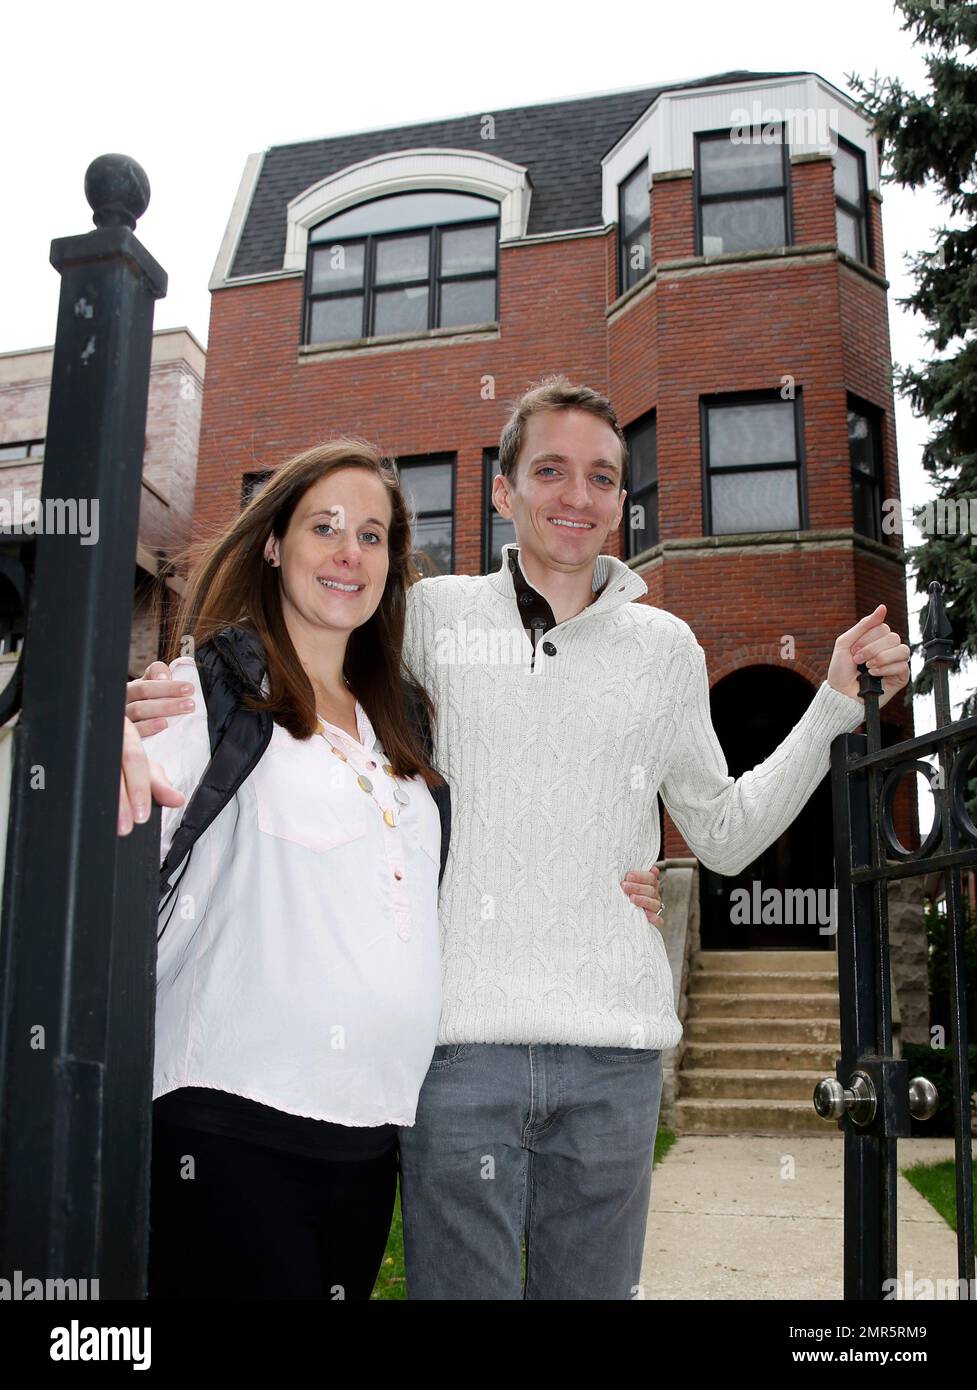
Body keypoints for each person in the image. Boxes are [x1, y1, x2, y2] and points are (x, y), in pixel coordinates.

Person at [125, 377, 906, 1301]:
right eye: (549, 470)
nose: (575, 496)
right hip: (456, 1052)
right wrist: (155, 701)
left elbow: (726, 836)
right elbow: (304, 662)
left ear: (624, 500)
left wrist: (830, 709)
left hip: (612, 1054)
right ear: (502, 491)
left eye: (602, 477)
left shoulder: (667, 650)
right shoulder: (427, 620)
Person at [120, 427, 664, 1301]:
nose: (349, 553)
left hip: (368, 1136)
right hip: (230, 1121)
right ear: (273, 544)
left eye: (372, 536)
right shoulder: (209, 689)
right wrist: (111, 736)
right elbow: (120, 810)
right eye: (324, 527)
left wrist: (617, 873)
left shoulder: (398, 727)